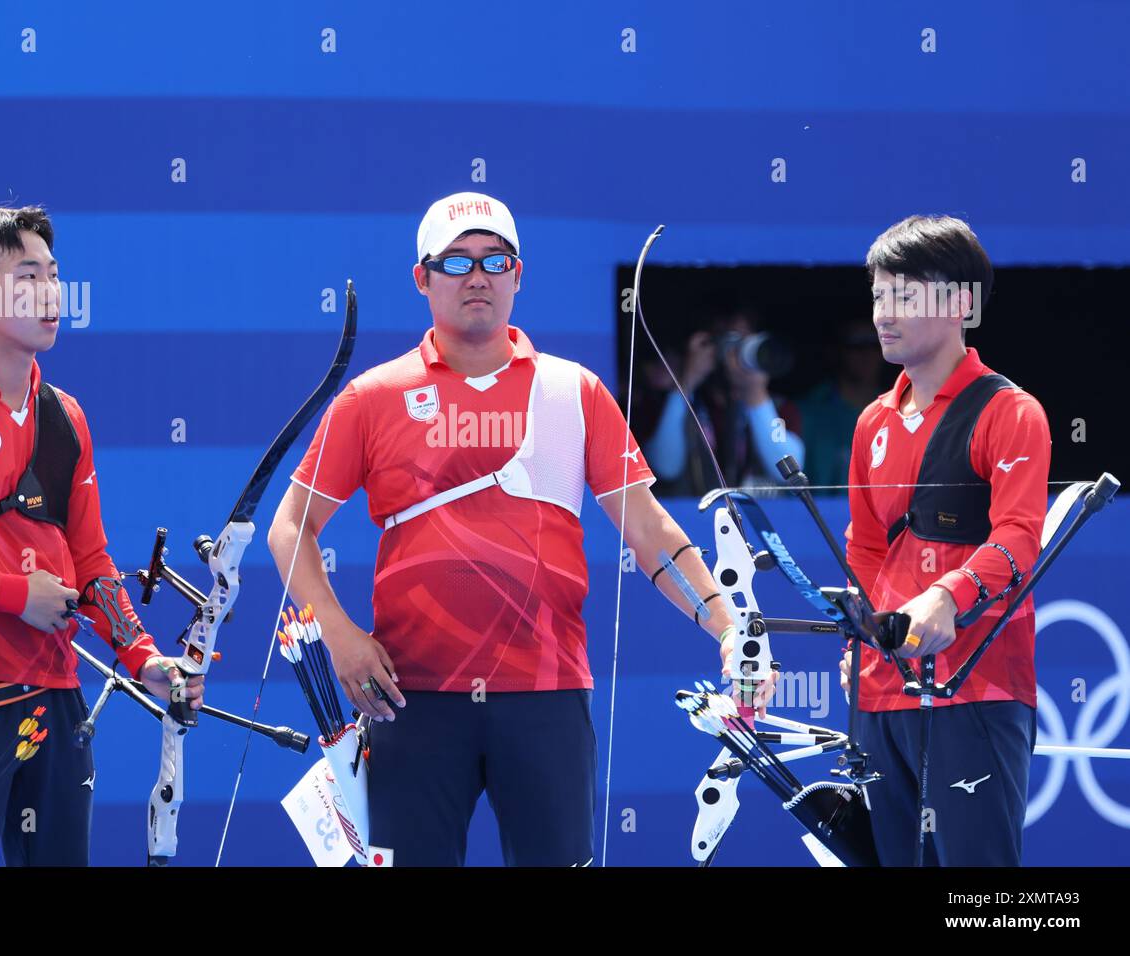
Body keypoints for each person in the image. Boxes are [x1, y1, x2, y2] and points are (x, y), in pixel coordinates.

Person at [267, 192, 765, 866]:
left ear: (518, 274)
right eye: (456, 261)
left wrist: (731, 630)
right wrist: (340, 634)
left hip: (546, 695)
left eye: (495, 259)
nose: (478, 275)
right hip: (412, 700)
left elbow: (648, 529)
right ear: (422, 277)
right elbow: (290, 525)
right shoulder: (374, 397)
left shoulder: (573, 391)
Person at [0, 206, 204, 865]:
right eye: (27, 277)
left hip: (56, 698)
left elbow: (91, 559)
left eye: (54, 275)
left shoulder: (66, 416)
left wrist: (145, 660)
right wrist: (13, 594)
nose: (50, 292)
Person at [841, 215, 1049, 866]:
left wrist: (946, 599)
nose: (883, 313)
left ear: (961, 303)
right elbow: (867, 550)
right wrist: (870, 635)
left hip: (977, 689)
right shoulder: (872, 421)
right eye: (878, 295)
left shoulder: (1012, 413)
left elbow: (1019, 538)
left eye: (904, 295)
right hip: (881, 693)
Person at [643, 311, 804, 497]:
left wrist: (756, 396)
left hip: (759, 522)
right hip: (692, 519)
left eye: (746, 342)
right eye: (731, 342)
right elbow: (664, 467)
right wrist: (685, 383)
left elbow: (789, 472)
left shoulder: (779, 408)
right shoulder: (676, 404)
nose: (737, 355)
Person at [797, 316, 887, 491]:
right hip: (813, 515)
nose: (867, 354)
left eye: (874, 345)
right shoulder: (805, 411)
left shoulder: (901, 410)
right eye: (857, 346)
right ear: (836, 352)